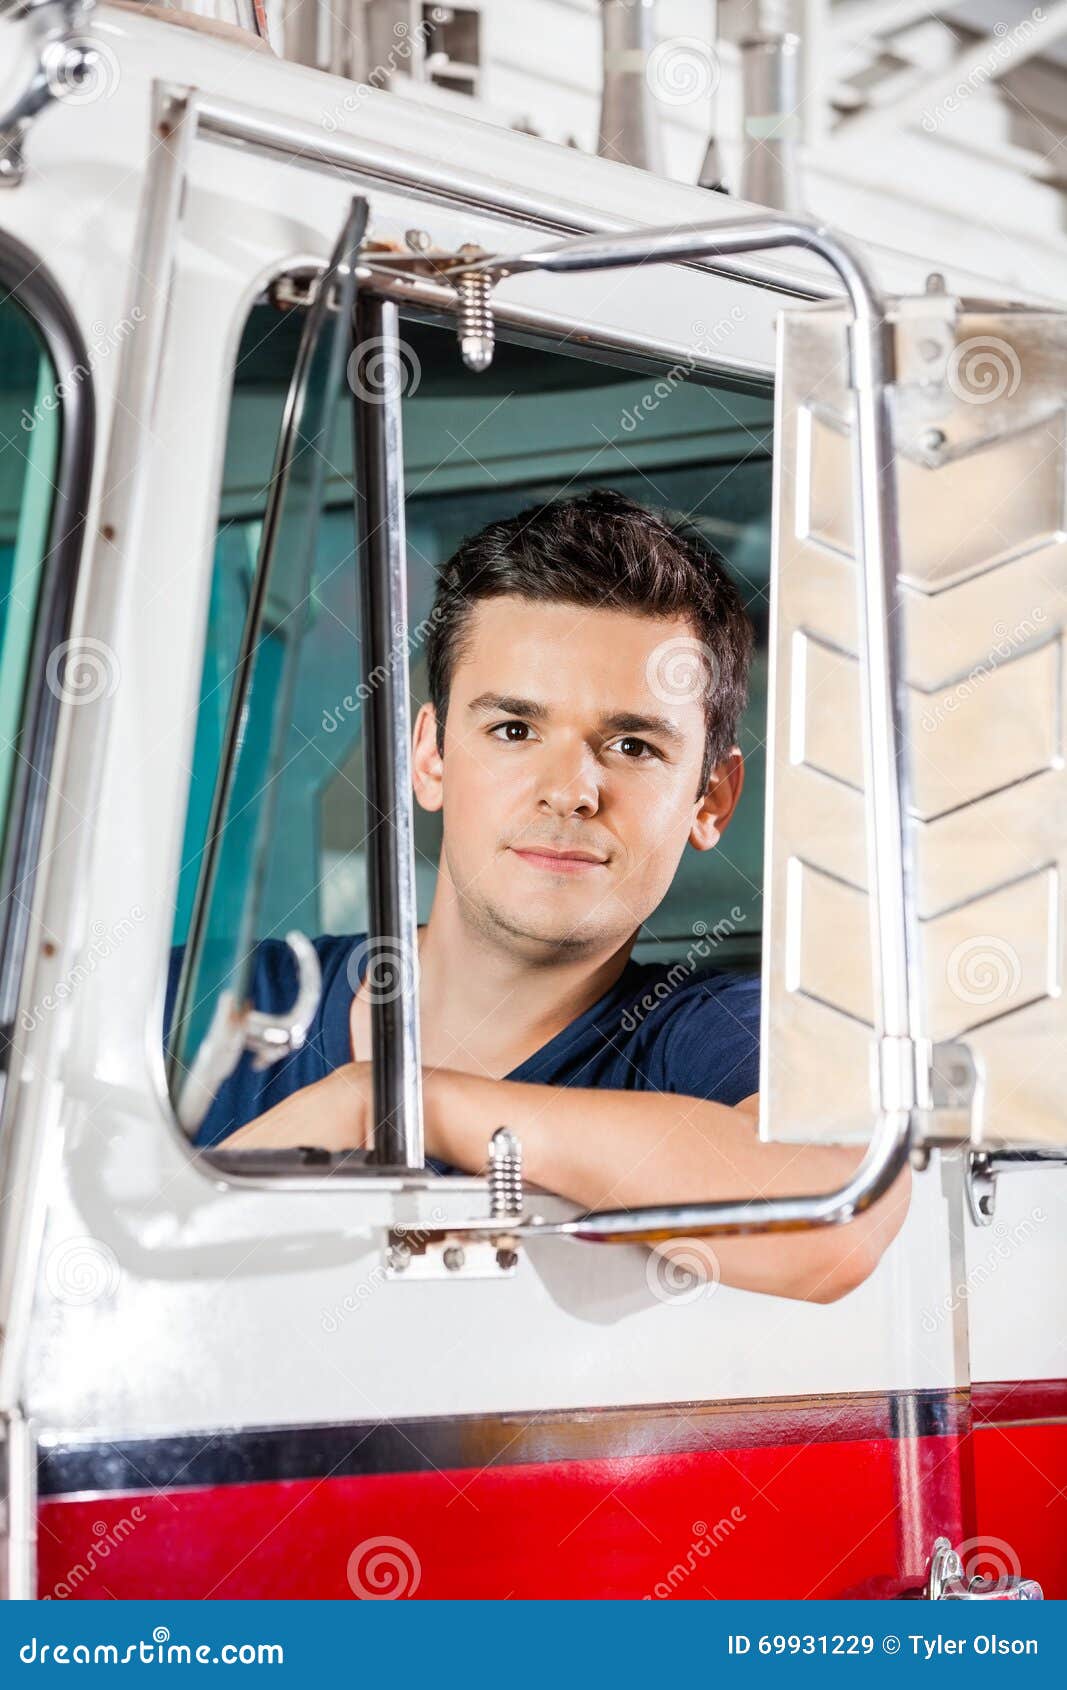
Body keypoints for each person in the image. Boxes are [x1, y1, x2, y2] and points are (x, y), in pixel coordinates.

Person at [166, 489, 909, 1301]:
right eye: (514, 730)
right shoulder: (193, 1010)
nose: (571, 793)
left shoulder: (705, 1041)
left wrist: (383, 1105)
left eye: (631, 744)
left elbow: (835, 1217)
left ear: (712, 800)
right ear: (430, 759)